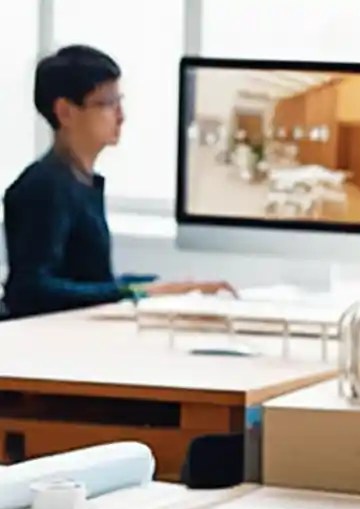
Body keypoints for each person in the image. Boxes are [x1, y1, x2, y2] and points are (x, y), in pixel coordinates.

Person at [2, 45, 234, 320]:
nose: (121, 116)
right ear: (65, 111)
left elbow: (90, 278)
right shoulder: (44, 187)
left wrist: (161, 287)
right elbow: (31, 290)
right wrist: (137, 292)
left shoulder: (81, 181)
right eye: (107, 104)